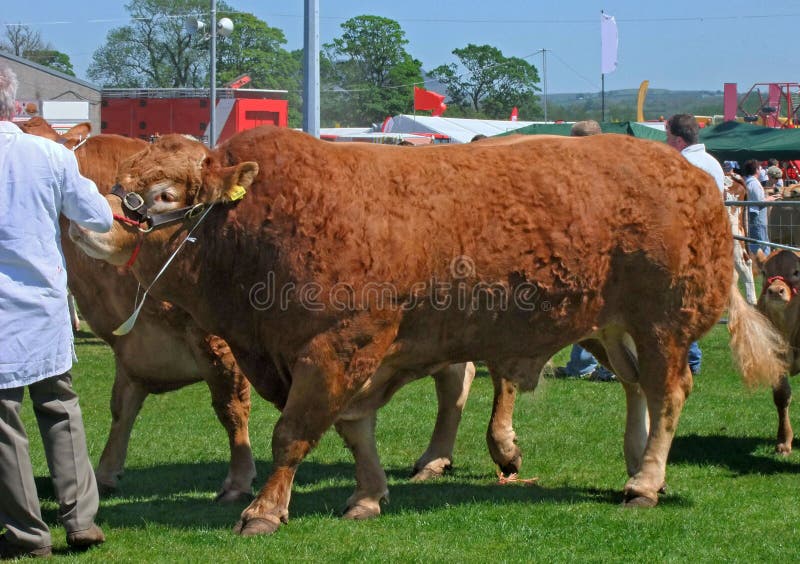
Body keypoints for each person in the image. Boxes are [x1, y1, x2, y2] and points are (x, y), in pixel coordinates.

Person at [0, 64, 110, 558]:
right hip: (42, 304)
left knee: (5, 426)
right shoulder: (49, 155)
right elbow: (98, 217)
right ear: (15, 105)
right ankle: (81, 520)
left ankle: (27, 534)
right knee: (60, 409)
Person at [665, 114, 729, 375]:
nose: (666, 141)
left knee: (679, 301)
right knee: (691, 299)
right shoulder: (712, 162)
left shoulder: (683, 163)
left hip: (686, 239)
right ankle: (691, 358)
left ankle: (689, 359)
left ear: (678, 139)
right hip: (710, 238)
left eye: (668, 136)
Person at [553, 119, 616, 382]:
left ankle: (589, 365)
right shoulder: (611, 167)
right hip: (604, 248)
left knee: (589, 308)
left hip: (589, 248)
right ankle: (588, 364)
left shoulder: (580, 170)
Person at [741, 158, 779, 255]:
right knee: (761, 241)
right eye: (759, 168)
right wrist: (770, 199)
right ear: (757, 170)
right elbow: (759, 201)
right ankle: (764, 264)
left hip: (755, 215)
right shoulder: (754, 183)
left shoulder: (748, 182)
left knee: (759, 240)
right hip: (758, 216)